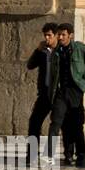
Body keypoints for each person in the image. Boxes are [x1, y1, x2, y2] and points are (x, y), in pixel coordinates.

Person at [45, 24, 85, 168]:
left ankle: (80, 154)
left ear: (71, 35)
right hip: (60, 92)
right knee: (56, 123)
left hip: (75, 91)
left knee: (75, 124)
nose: (60, 37)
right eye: (59, 35)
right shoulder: (56, 51)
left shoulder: (79, 48)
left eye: (63, 35)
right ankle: (51, 155)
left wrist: (83, 78)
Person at [25, 23, 59, 151]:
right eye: (45, 35)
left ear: (56, 35)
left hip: (58, 94)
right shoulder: (43, 51)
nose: (47, 38)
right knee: (34, 122)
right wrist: (37, 50)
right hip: (44, 93)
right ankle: (32, 153)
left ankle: (68, 154)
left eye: (49, 35)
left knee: (61, 124)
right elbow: (30, 65)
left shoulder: (62, 50)